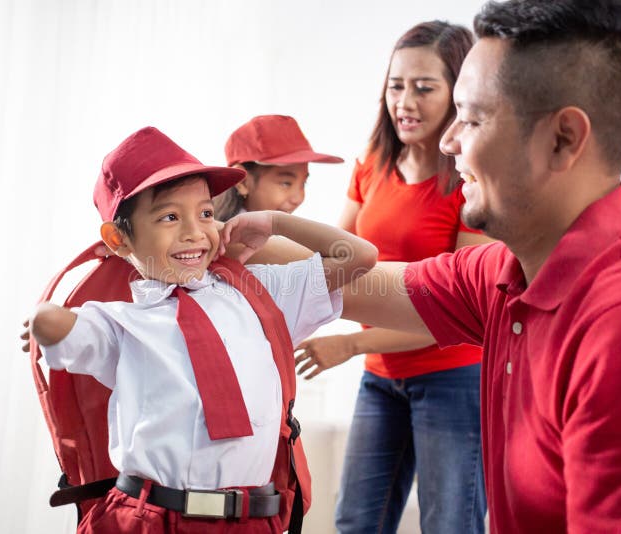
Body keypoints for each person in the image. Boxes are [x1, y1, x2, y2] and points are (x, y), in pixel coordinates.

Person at [328, 1, 621, 532]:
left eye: (469, 118)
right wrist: (229, 238)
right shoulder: (501, 272)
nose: (449, 142)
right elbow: (359, 283)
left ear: (562, 139)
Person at [29, 126, 377, 533]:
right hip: (149, 518)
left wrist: (274, 222)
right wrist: (46, 317)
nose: (194, 232)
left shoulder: (259, 295)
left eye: (206, 213)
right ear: (119, 240)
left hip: (252, 519)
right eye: (170, 217)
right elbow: (52, 324)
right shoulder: (121, 324)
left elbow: (360, 256)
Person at [294, 21, 492, 534]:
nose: (405, 101)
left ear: (457, 95)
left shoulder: (471, 186)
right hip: (384, 379)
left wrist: (349, 346)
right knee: (357, 522)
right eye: (395, 85)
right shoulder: (372, 164)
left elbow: (462, 309)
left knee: (451, 524)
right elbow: (334, 255)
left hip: (455, 377)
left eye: (424, 88)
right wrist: (268, 224)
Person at [213, 114, 343, 221]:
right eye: (286, 183)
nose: (298, 198)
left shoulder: (277, 233)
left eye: (303, 183)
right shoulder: (239, 241)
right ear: (242, 182)